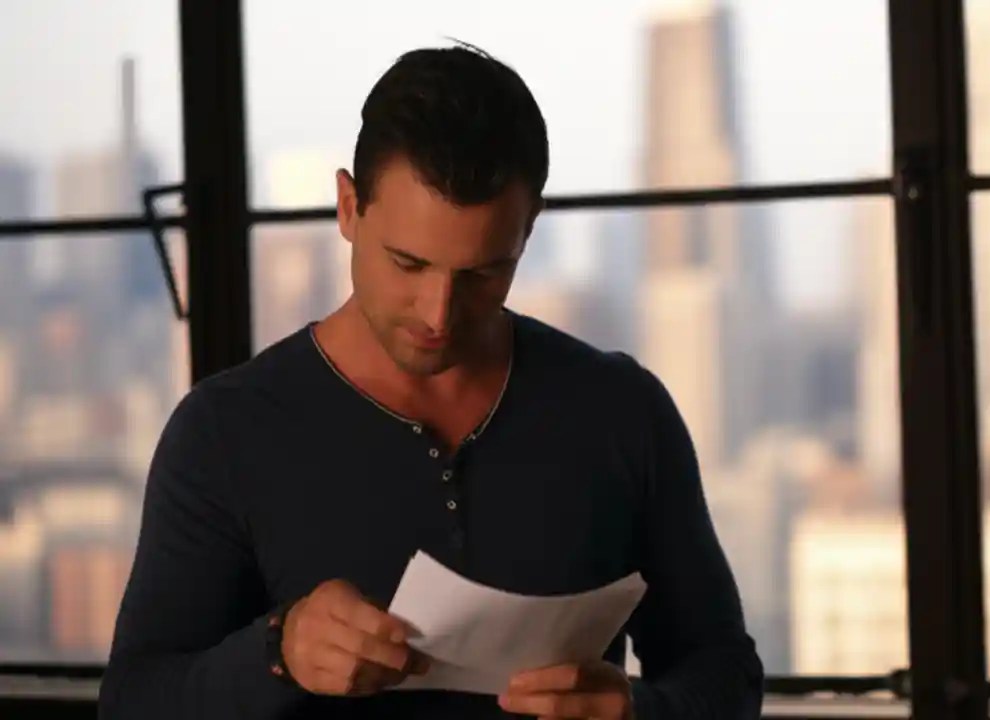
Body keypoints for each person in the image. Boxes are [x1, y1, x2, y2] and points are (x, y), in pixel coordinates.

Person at [99, 44, 763, 720]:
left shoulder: (621, 411)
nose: (438, 313)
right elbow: (132, 704)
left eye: (481, 274)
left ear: (528, 231)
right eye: (408, 263)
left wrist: (638, 712)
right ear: (349, 207)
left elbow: (726, 675)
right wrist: (279, 652)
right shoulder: (223, 431)